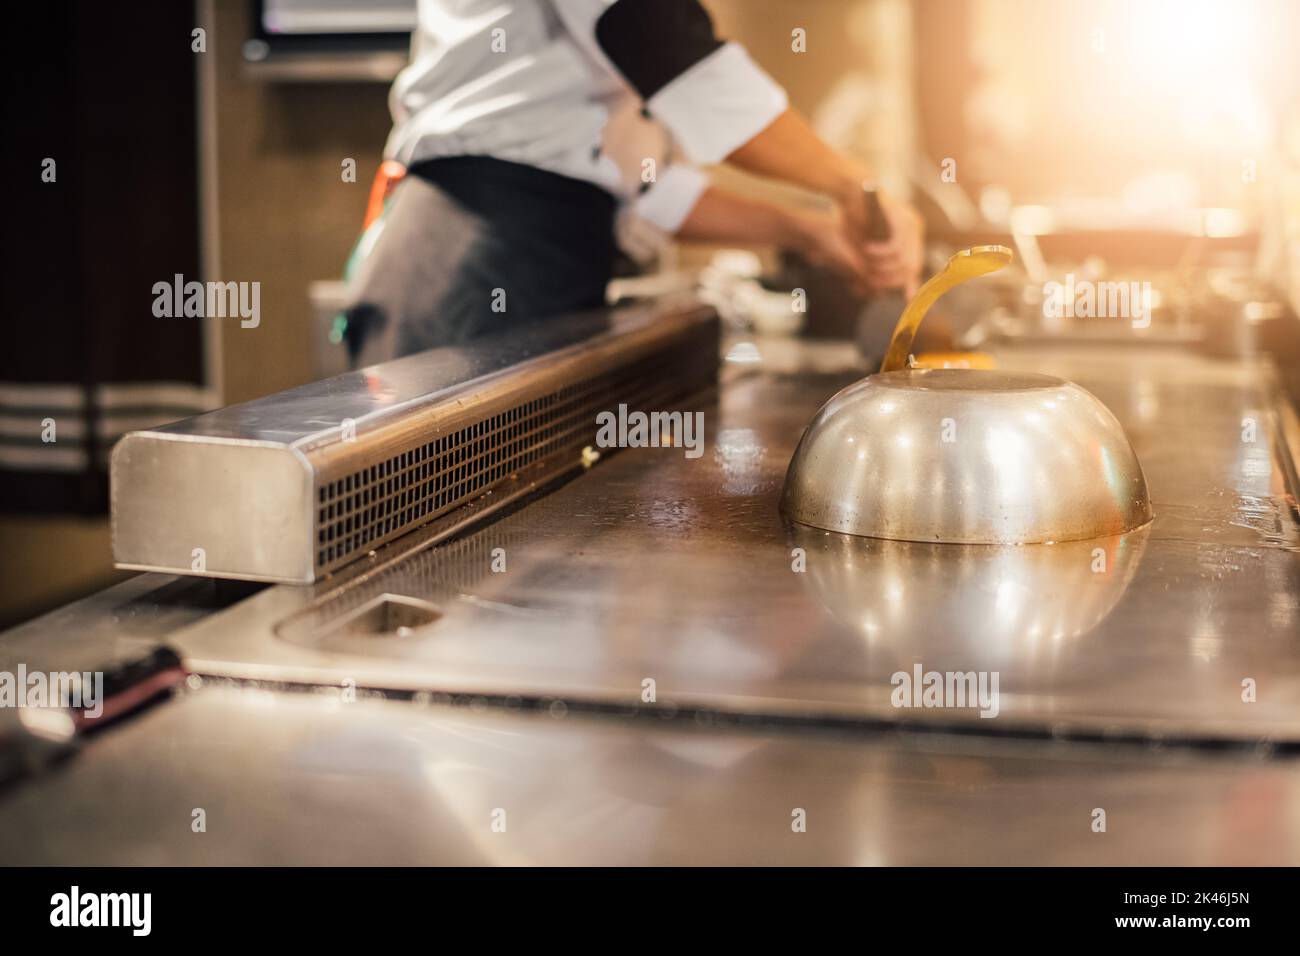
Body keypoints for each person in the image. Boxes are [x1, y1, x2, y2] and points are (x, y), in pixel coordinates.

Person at [343, 0, 924, 365]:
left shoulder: (582, 78)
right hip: (465, 259)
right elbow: (679, 59)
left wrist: (809, 232)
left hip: (538, 254)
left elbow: (642, 189)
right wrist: (852, 185)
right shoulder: (635, 28)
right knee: (442, 541)